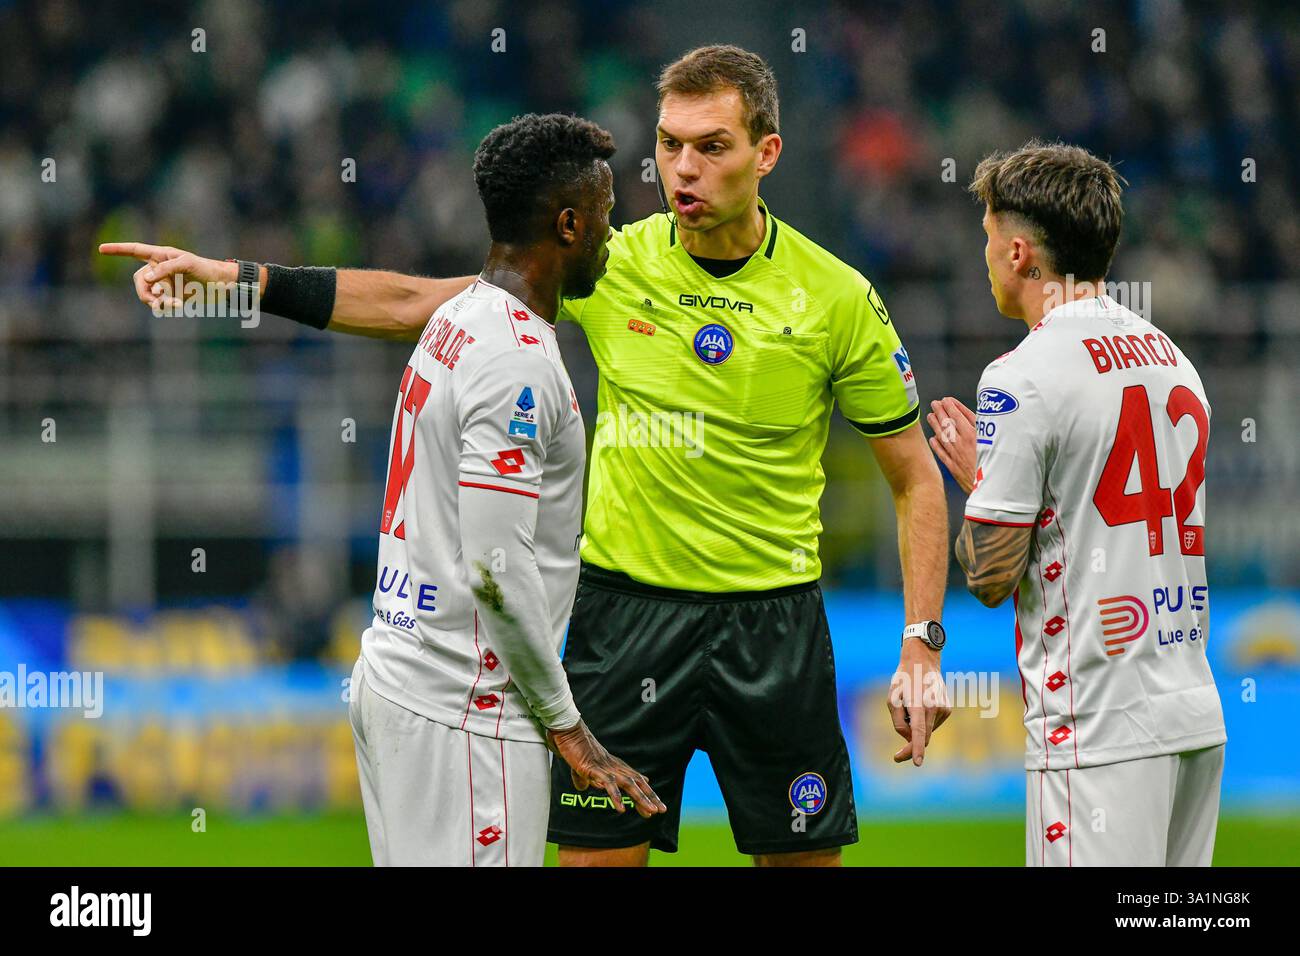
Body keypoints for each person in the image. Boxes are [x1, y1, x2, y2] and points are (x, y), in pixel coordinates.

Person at [102, 45, 950, 868]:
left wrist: (920, 646)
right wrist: (236, 278)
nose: (682, 169)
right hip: (625, 622)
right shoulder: (616, 259)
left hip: (774, 623)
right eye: (669, 145)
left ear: (766, 153)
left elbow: (914, 478)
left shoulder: (837, 297)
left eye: (711, 147)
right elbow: (412, 300)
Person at [106, 112, 665, 866]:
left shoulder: (461, 319)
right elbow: (496, 571)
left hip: (399, 675)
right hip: (467, 707)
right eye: (605, 216)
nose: (612, 233)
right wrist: (568, 726)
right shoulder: (518, 363)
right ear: (567, 225)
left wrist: (228, 282)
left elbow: (401, 299)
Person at [927, 141, 1225, 866]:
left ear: (1022, 252)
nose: (987, 258)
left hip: (1095, 722)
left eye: (990, 240)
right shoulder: (1169, 357)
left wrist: (981, 486)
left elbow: (991, 580)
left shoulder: (1020, 375)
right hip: (1193, 711)